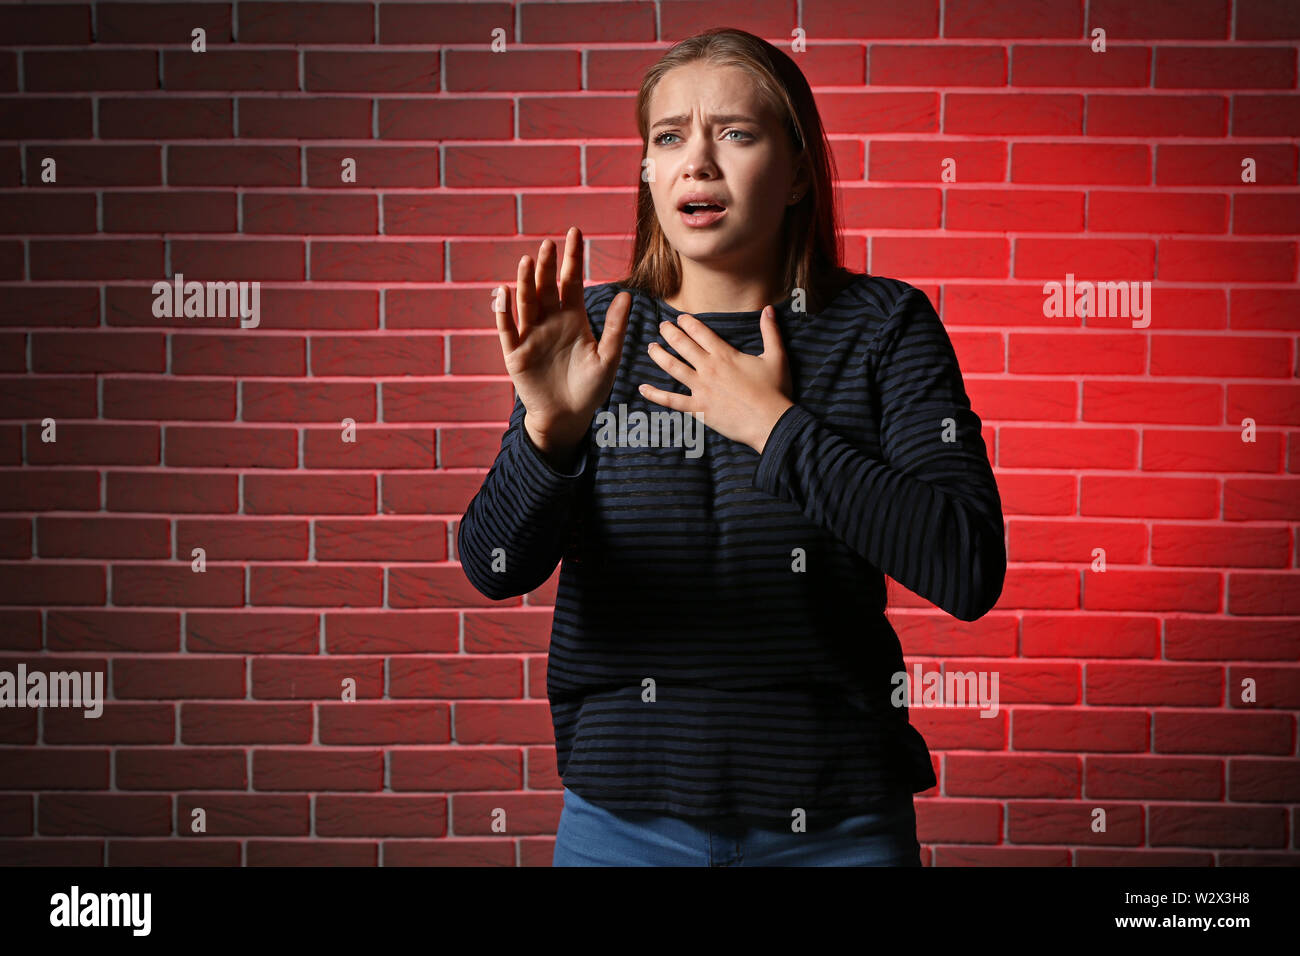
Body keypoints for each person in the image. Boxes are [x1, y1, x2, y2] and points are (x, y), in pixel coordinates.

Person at [458, 27, 1006, 866]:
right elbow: (494, 566)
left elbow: (966, 568)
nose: (698, 162)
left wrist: (774, 427)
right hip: (621, 828)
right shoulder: (591, 331)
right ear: (647, 170)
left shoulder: (884, 327)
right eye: (669, 136)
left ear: (795, 174)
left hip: (838, 826)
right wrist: (549, 435)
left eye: (737, 134)